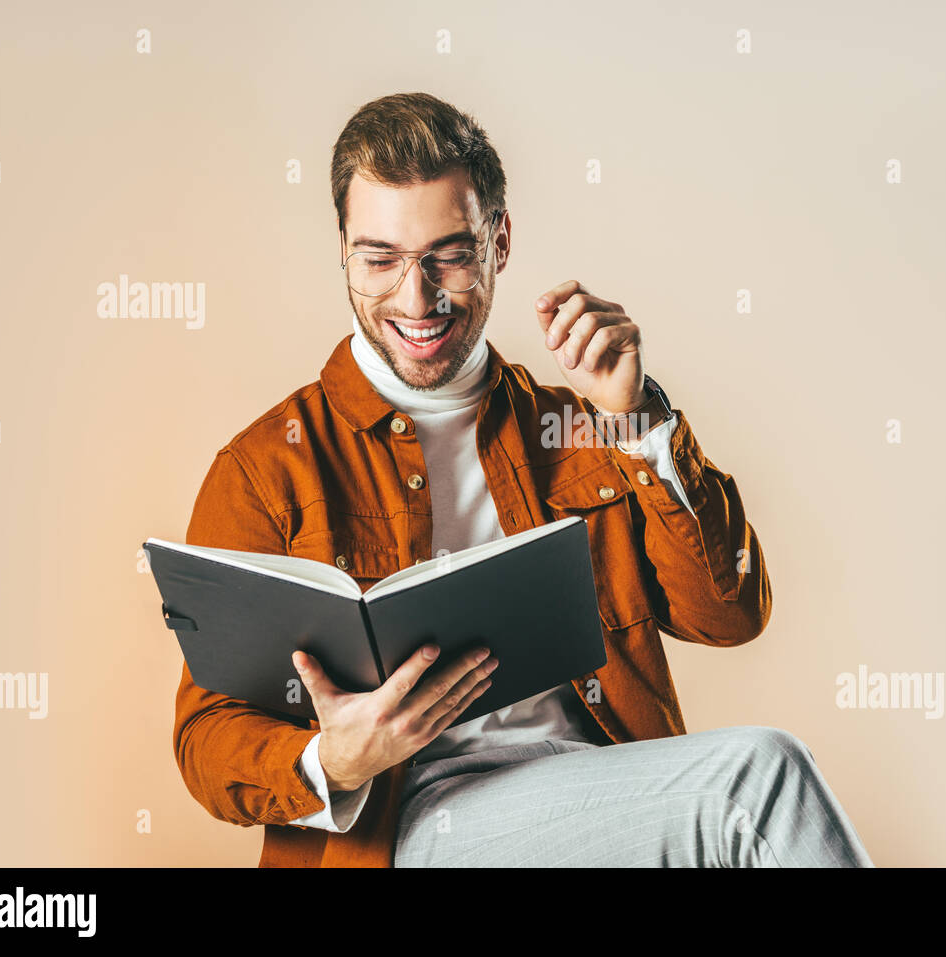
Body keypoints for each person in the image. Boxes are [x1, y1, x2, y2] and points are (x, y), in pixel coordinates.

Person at [172, 91, 873, 868]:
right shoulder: (269, 466)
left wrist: (637, 420)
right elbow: (207, 739)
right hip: (410, 827)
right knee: (757, 782)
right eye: (379, 259)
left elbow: (730, 612)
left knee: (749, 791)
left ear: (498, 241)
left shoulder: (579, 424)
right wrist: (335, 758)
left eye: (450, 254)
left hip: (607, 796)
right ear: (342, 251)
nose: (416, 297)